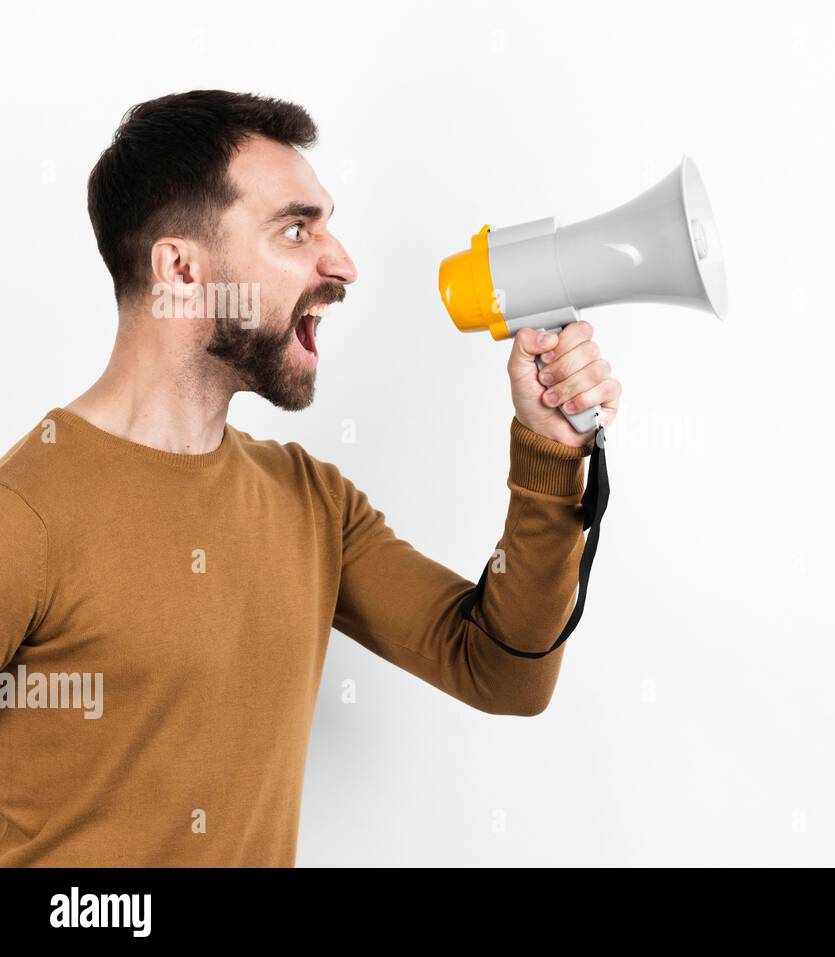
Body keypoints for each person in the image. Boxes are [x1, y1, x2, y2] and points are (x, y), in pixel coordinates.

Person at [0, 90, 620, 866]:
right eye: (297, 228)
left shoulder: (311, 502)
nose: (343, 263)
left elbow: (502, 671)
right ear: (182, 268)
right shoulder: (22, 515)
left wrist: (548, 451)